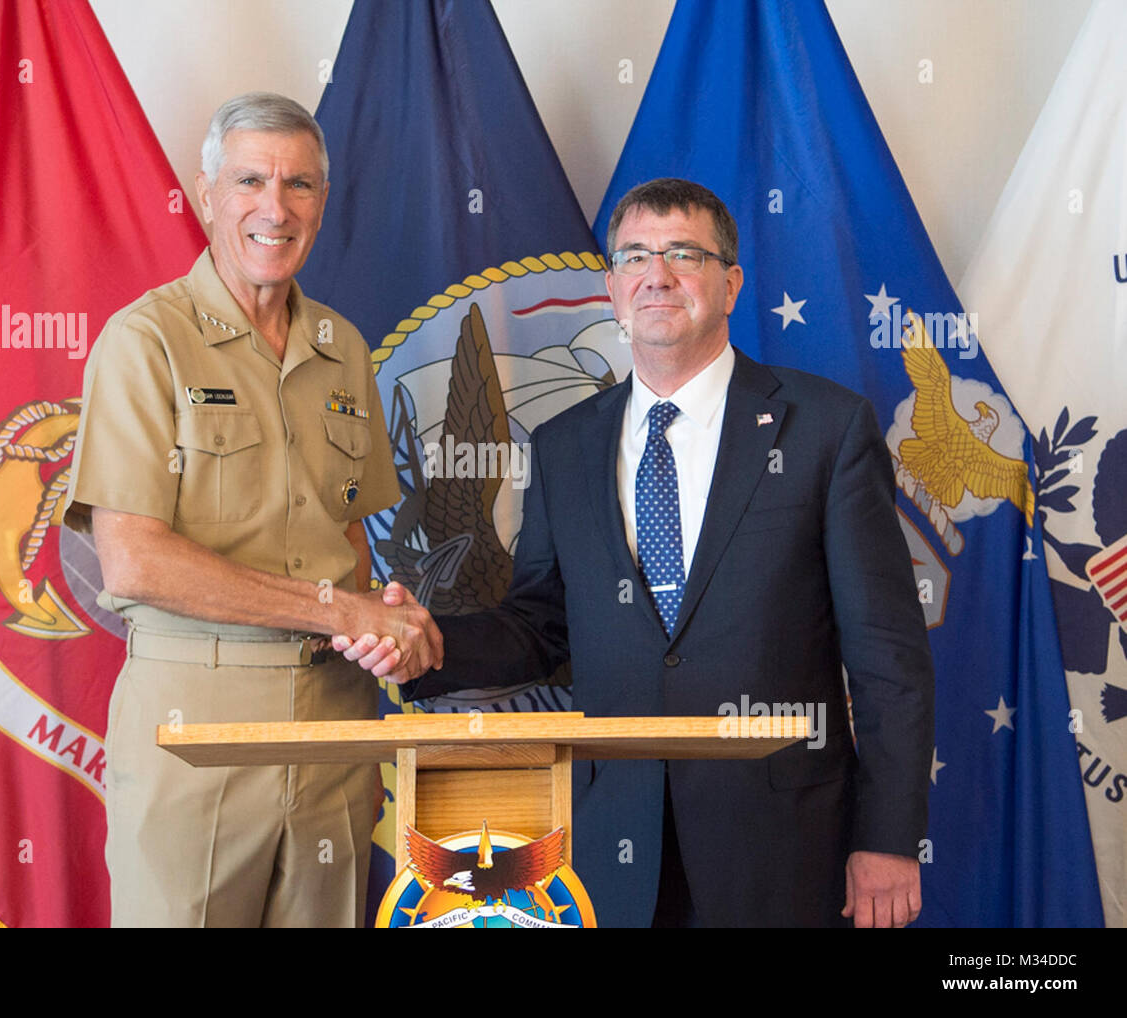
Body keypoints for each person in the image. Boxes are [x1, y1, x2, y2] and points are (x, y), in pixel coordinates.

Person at [337, 178, 934, 928]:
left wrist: (887, 838)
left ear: (730, 285)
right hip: (610, 843)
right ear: (614, 289)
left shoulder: (825, 429)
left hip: (780, 840)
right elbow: (542, 625)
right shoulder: (563, 445)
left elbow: (888, 657)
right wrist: (426, 644)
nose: (658, 274)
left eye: (685, 254)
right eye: (636, 257)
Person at [63, 92, 441, 928]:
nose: (276, 207)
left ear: (322, 203)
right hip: (198, 722)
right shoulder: (146, 340)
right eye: (251, 181)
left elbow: (349, 536)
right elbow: (133, 560)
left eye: (299, 185)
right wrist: (328, 606)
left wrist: (380, 626)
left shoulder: (343, 350)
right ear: (207, 196)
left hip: (338, 723)